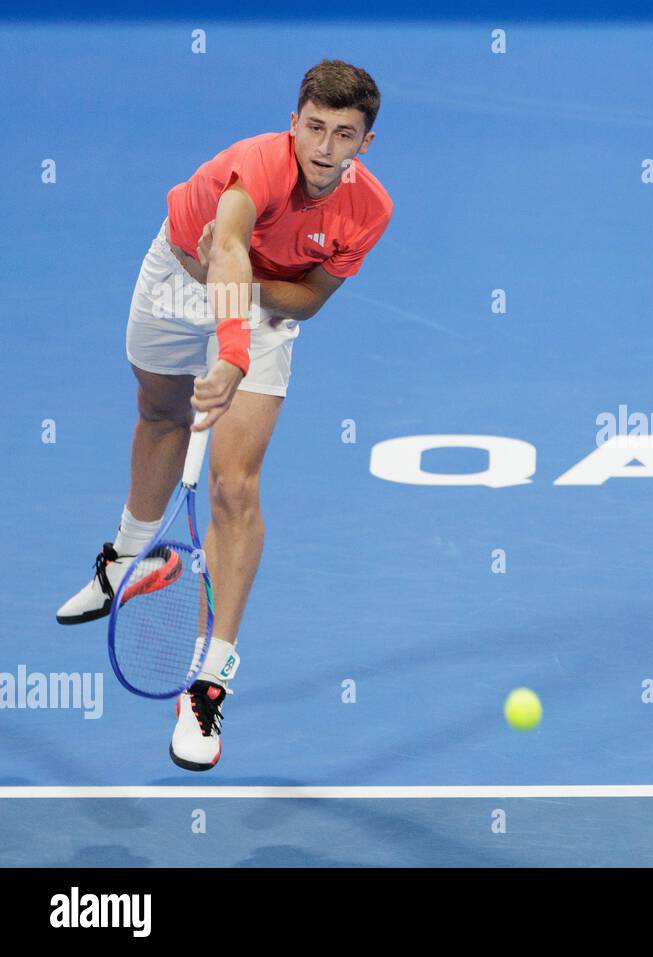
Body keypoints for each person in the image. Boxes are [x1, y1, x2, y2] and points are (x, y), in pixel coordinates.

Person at [56, 59, 393, 771]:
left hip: (263, 304)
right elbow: (227, 240)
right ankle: (129, 559)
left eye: (344, 134)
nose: (324, 148)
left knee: (235, 487)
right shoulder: (257, 164)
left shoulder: (370, 209)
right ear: (293, 119)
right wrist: (227, 341)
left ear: (366, 143)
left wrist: (240, 326)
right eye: (313, 127)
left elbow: (308, 298)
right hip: (178, 276)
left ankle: (207, 683)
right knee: (159, 409)